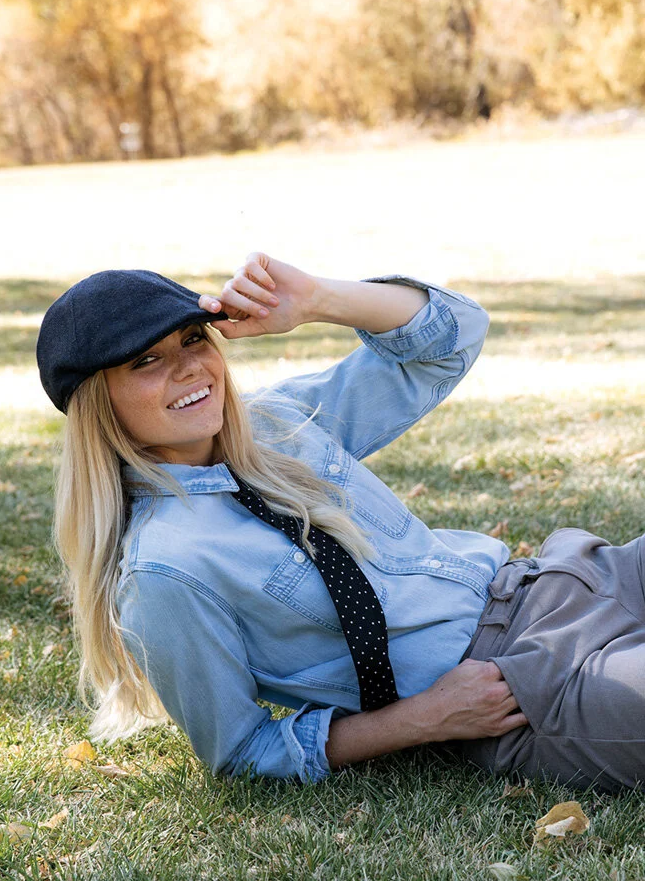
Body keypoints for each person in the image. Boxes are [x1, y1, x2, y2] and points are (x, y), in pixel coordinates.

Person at [36, 254, 645, 791]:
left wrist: (317, 301)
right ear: (99, 401)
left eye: (195, 338)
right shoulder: (166, 568)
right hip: (520, 687)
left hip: (559, 582)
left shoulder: (278, 423)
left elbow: (452, 338)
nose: (191, 367)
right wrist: (428, 718)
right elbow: (242, 752)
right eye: (148, 360)